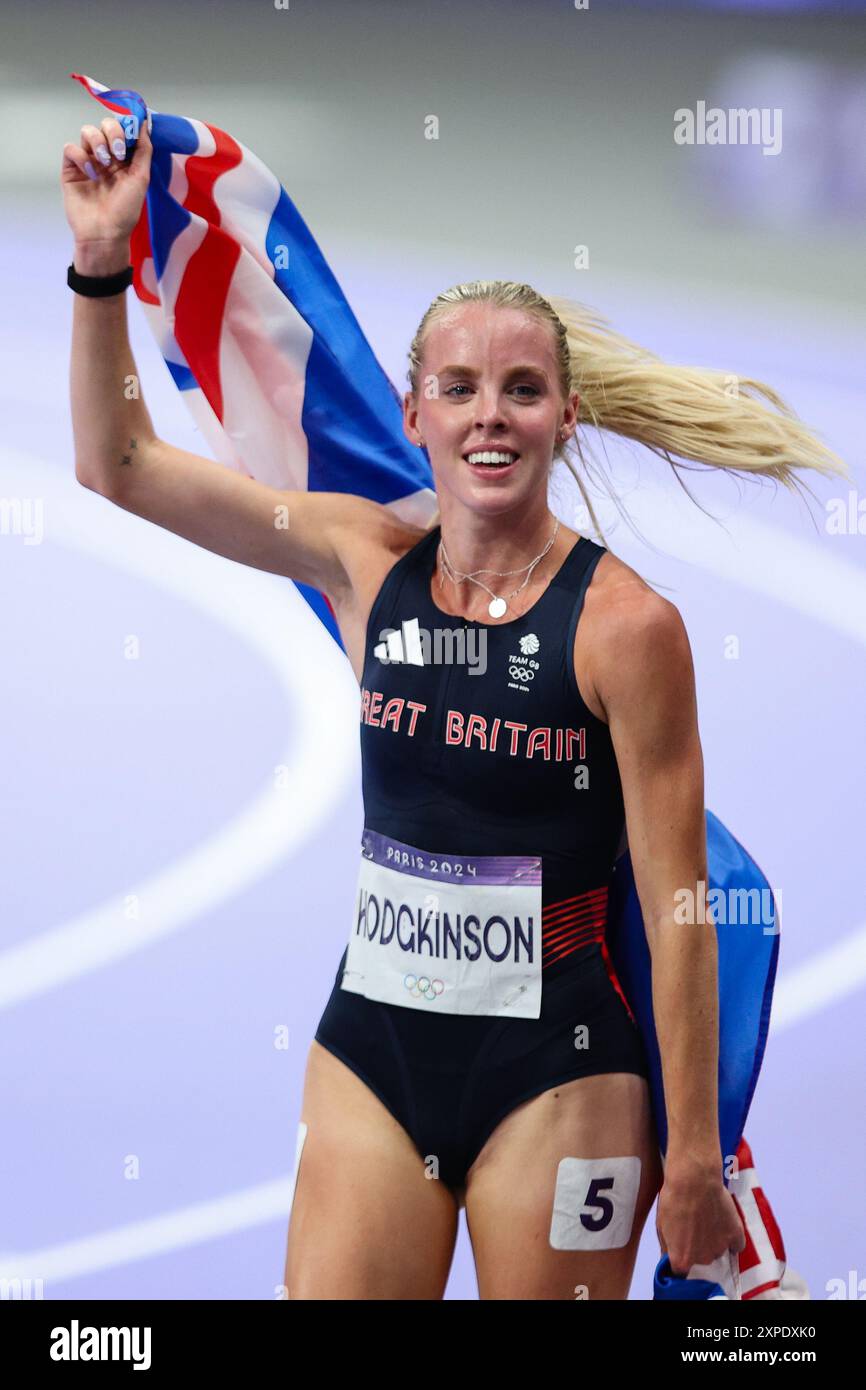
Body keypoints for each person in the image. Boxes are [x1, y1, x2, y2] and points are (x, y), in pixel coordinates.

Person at [62, 113, 846, 1301]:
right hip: (372, 1051)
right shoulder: (357, 557)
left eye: (521, 391)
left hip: (560, 1072)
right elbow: (117, 464)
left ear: (562, 418)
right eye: (460, 389)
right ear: (414, 412)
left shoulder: (625, 630)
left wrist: (694, 1154)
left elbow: (677, 902)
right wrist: (103, 263)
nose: (490, 415)